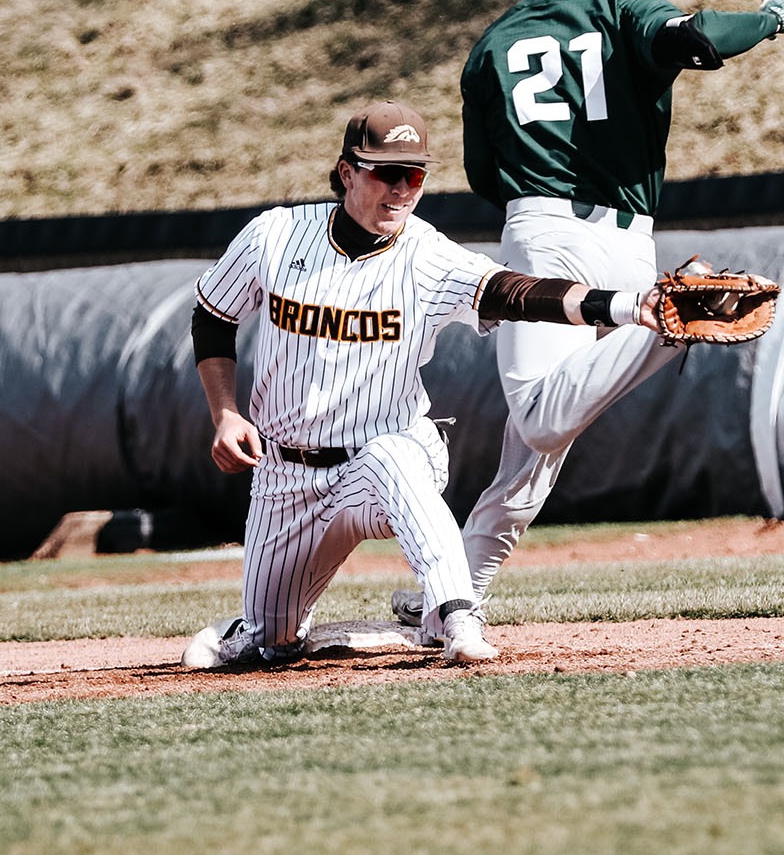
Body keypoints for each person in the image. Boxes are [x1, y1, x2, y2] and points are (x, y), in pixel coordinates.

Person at [389, 0, 784, 625]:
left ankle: (666, 321)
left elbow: (487, 173)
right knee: (528, 454)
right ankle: (450, 597)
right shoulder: (625, 11)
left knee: (539, 419)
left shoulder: (495, 39)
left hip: (542, 229)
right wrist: (770, 18)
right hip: (629, 240)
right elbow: (701, 36)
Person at [182, 101, 668, 669]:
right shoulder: (276, 236)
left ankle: (455, 615)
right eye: (387, 173)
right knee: (273, 640)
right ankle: (274, 629)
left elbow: (515, 292)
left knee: (393, 458)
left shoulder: (425, 255)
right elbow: (212, 316)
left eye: (414, 176)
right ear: (346, 172)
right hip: (285, 474)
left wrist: (630, 305)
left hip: (384, 452)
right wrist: (225, 413)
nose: (402, 189)